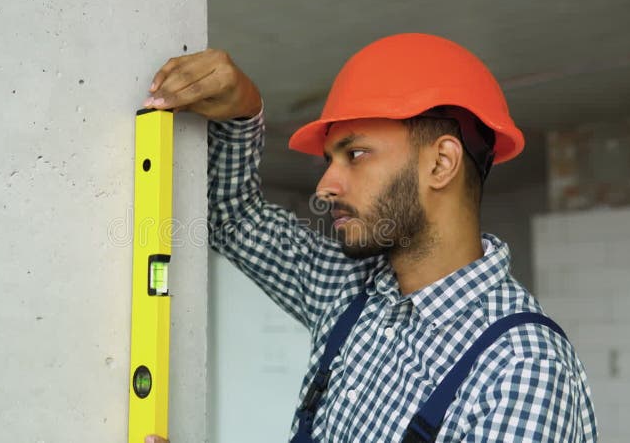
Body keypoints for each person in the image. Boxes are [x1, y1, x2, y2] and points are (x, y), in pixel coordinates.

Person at [142, 33, 598, 442]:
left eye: (355, 154)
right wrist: (244, 110)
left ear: (441, 164)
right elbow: (233, 218)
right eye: (330, 160)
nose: (325, 186)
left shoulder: (521, 370)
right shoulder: (348, 291)